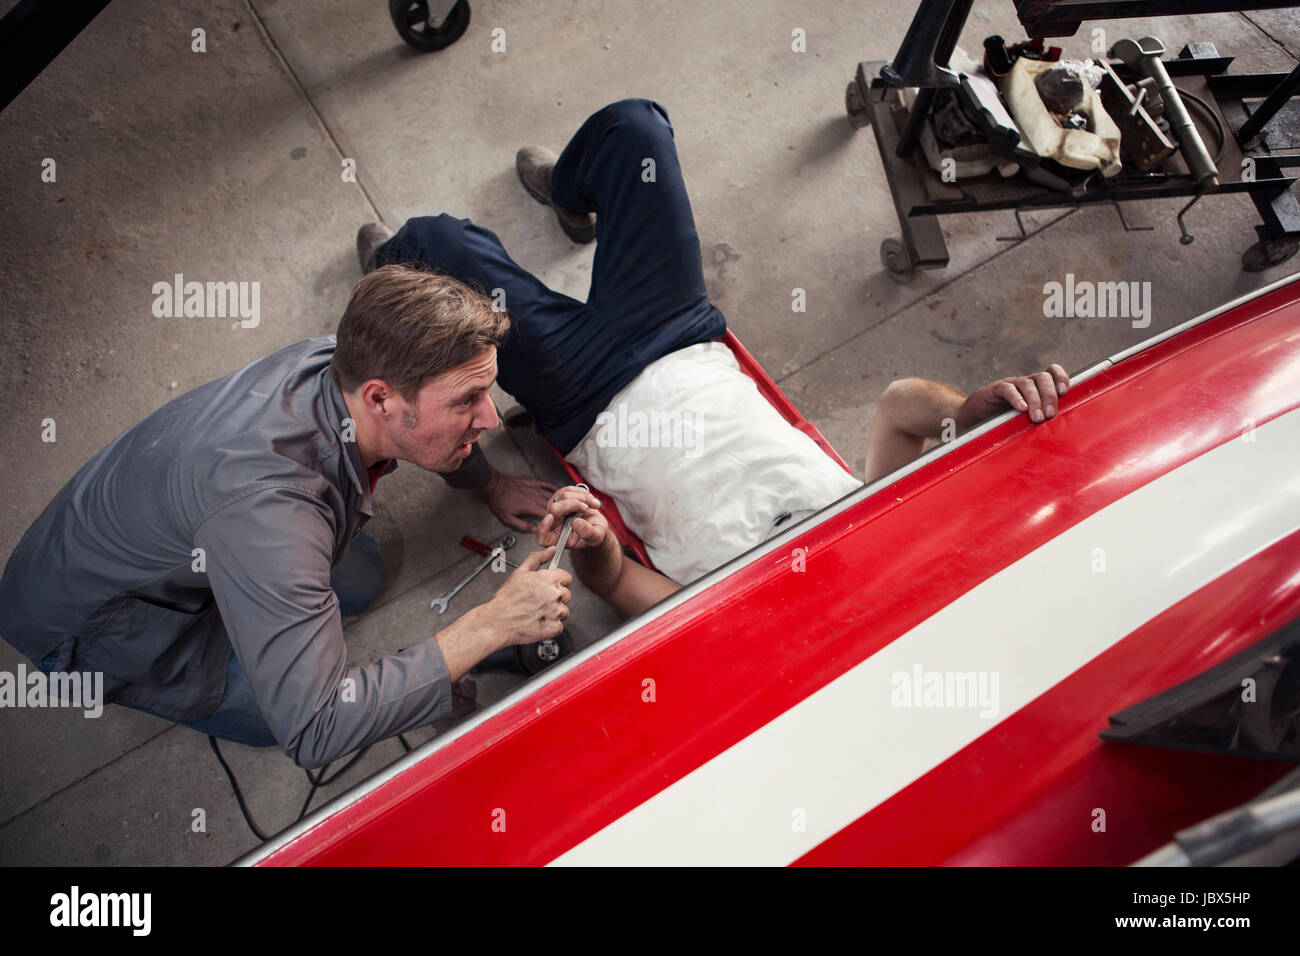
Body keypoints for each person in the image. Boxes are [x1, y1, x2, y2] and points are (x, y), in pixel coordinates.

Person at [357, 97, 1071, 619]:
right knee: (636, 130)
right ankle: (570, 197)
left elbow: (616, 586)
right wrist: (967, 412)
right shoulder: (879, 535)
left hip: (586, 398)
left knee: (436, 245)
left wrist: (594, 539)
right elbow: (899, 406)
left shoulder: (735, 619)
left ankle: (394, 270)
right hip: (682, 335)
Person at [0, 268, 574, 769]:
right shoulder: (274, 513)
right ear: (379, 399)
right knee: (273, 721)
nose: (491, 418)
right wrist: (489, 626)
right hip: (89, 620)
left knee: (362, 575)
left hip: (176, 526)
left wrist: (490, 482)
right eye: (467, 401)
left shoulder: (343, 360)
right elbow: (315, 726)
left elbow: (423, 428)